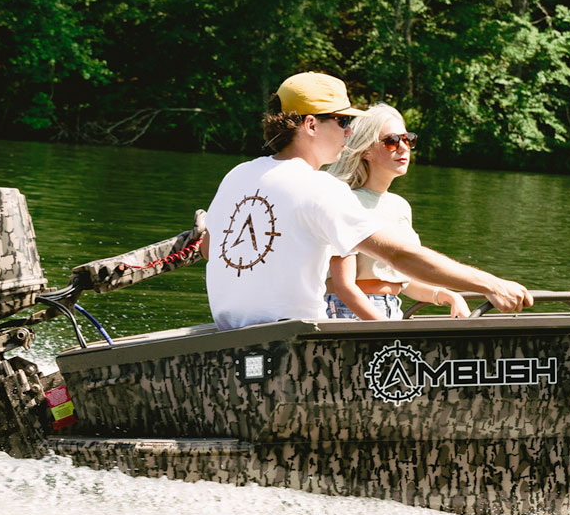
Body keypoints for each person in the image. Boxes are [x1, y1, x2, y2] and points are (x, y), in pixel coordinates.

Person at [205, 71, 530, 328]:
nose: (350, 131)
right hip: (297, 349)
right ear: (311, 124)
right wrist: (490, 283)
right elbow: (399, 256)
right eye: (344, 121)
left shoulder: (237, 175)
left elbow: (209, 249)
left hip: (230, 336)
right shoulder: (318, 187)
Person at [321, 105, 473, 320]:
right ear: (366, 150)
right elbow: (343, 287)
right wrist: (385, 331)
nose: (403, 147)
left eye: (408, 139)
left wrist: (448, 296)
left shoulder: (400, 206)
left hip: (391, 310)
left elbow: (404, 281)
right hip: (350, 313)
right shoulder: (346, 200)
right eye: (391, 141)